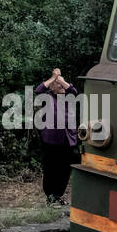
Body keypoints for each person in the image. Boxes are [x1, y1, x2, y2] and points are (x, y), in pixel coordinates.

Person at [34, 68, 78, 204]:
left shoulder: (69, 97)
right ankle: (50, 196)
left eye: (63, 82)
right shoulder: (47, 97)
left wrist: (61, 80)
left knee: (64, 170)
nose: (62, 84)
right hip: (51, 140)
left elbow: (74, 91)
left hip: (67, 139)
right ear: (52, 88)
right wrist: (53, 78)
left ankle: (58, 195)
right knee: (50, 169)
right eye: (58, 83)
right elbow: (38, 90)